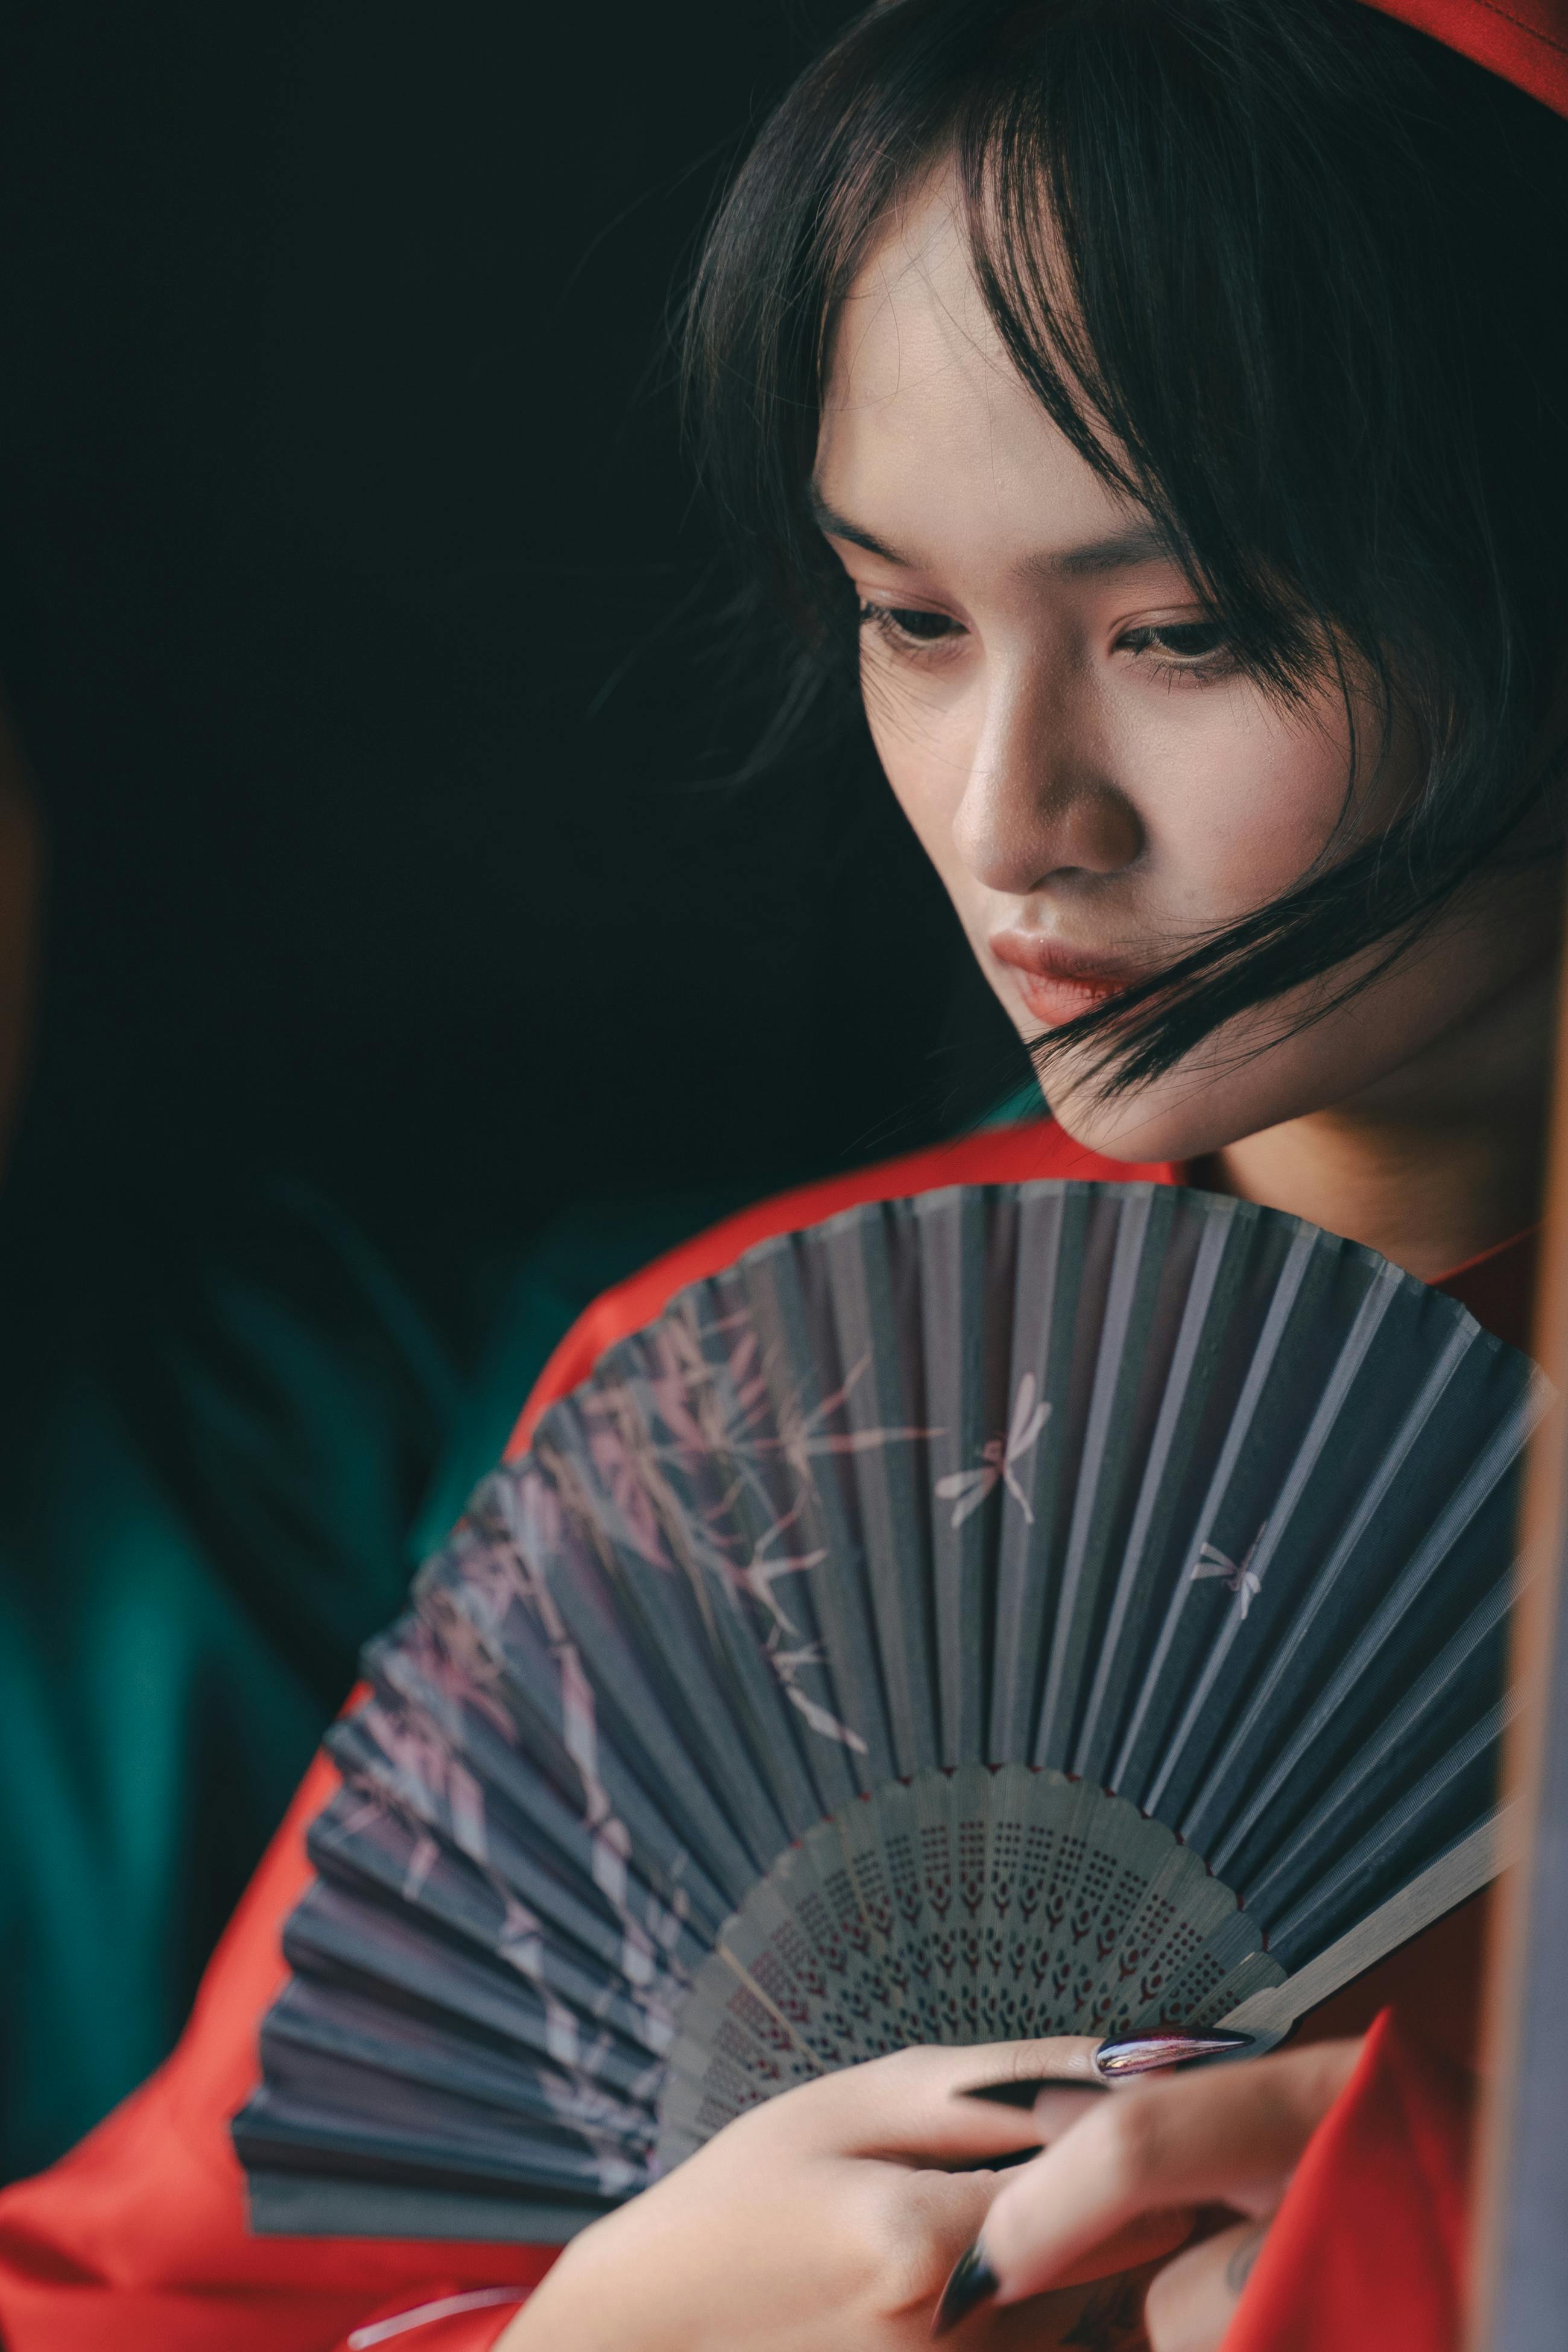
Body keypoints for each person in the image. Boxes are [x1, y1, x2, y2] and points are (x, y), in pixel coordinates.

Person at [1, 0, 1564, 2345]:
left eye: (1184, 631)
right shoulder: (767, 1398)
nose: (1001, 816)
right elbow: (148, 2301)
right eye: (909, 622)